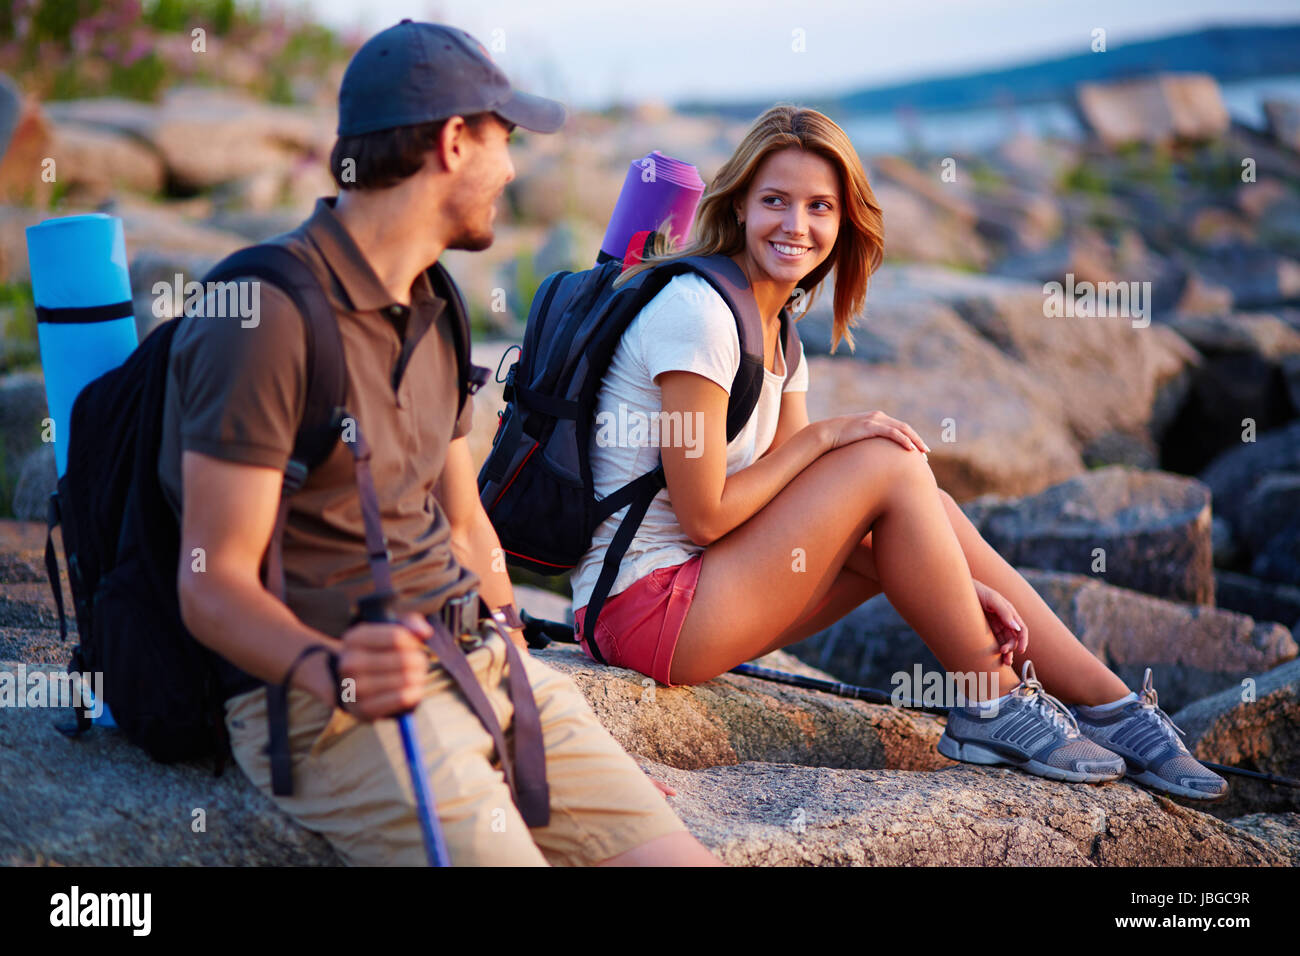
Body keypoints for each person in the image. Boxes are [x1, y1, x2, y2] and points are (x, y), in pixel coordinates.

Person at [158, 20, 720, 865]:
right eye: (506, 140)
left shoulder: (435, 300)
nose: (513, 168)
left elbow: (466, 528)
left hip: (480, 662)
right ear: (455, 142)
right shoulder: (266, 315)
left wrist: (525, 697)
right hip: (336, 706)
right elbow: (212, 584)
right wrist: (332, 666)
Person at [571, 104, 1227, 801]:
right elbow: (705, 516)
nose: (796, 225)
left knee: (932, 506)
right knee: (887, 459)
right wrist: (828, 435)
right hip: (642, 612)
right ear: (738, 207)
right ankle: (992, 702)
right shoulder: (698, 313)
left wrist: (950, 584)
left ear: (845, 220)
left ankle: (1114, 708)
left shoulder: (779, 330)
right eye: (775, 202)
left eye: (819, 206)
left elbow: (794, 514)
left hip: (709, 591)